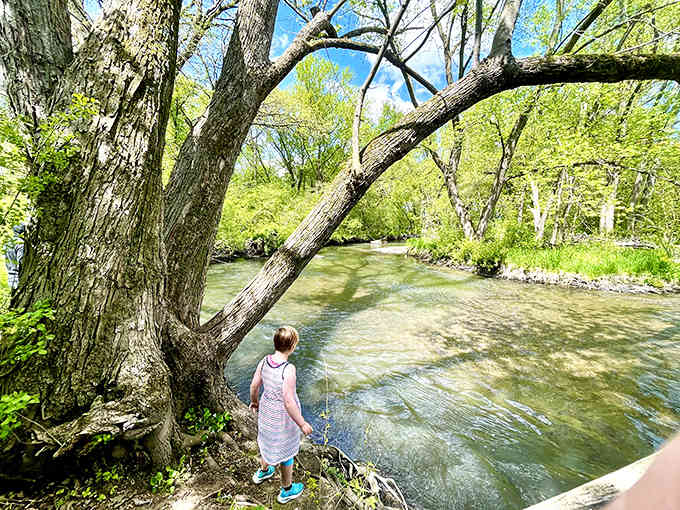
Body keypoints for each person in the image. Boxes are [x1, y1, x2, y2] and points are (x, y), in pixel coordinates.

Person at [249, 326, 313, 504]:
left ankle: (264, 471)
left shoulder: (264, 361)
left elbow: (254, 385)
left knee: (266, 440)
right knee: (286, 452)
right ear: (292, 346)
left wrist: (255, 402)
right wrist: (301, 423)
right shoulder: (288, 369)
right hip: (282, 417)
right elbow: (288, 401)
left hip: (267, 411)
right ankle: (286, 489)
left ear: (275, 343)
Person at [4, 224, 25, 293]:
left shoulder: (8, 243)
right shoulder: (20, 243)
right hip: (18, 277)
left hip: (10, 275)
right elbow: (21, 260)